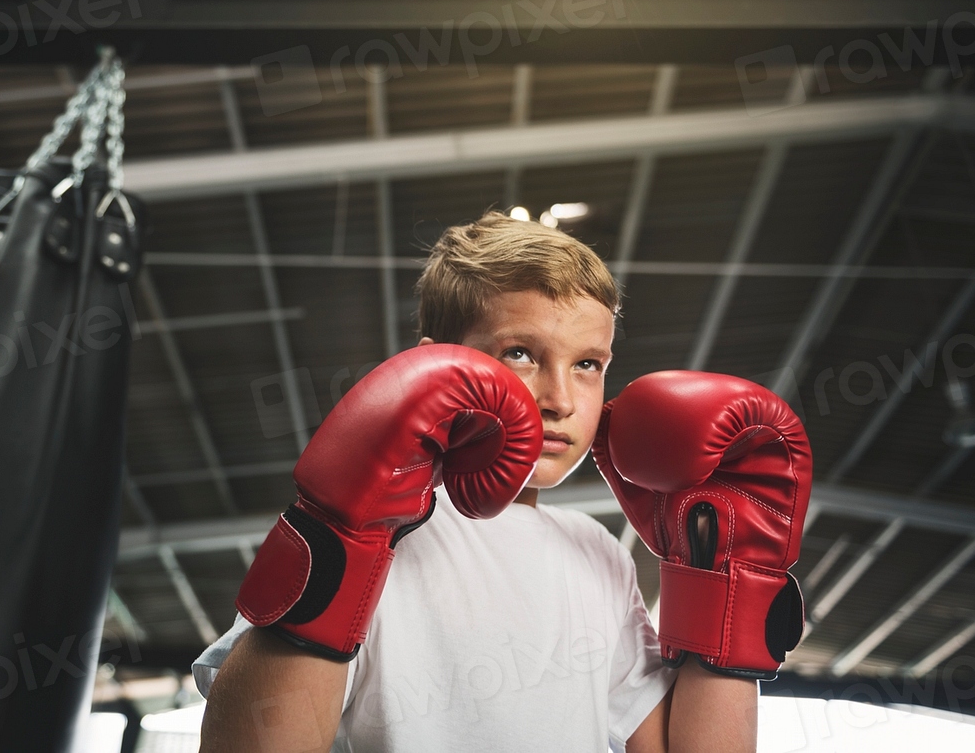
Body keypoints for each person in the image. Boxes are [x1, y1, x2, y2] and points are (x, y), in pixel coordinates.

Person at [192, 210, 805, 752]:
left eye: (588, 364)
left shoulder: (595, 551)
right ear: (437, 363)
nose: (560, 398)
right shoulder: (380, 526)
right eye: (520, 353)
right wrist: (340, 533)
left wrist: (731, 582)